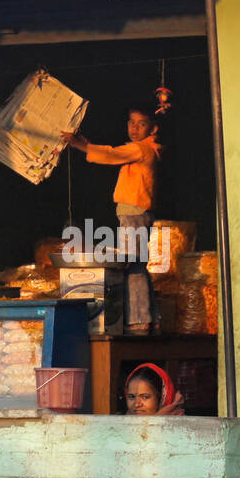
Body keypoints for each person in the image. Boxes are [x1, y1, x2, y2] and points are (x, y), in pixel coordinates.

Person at [62, 105, 162, 334]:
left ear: (153, 128)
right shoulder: (143, 149)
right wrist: (85, 144)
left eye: (142, 123)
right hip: (134, 212)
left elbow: (112, 154)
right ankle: (150, 317)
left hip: (134, 212)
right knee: (136, 263)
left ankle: (139, 319)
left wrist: (81, 145)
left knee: (133, 265)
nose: (134, 128)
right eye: (131, 122)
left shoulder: (141, 149)